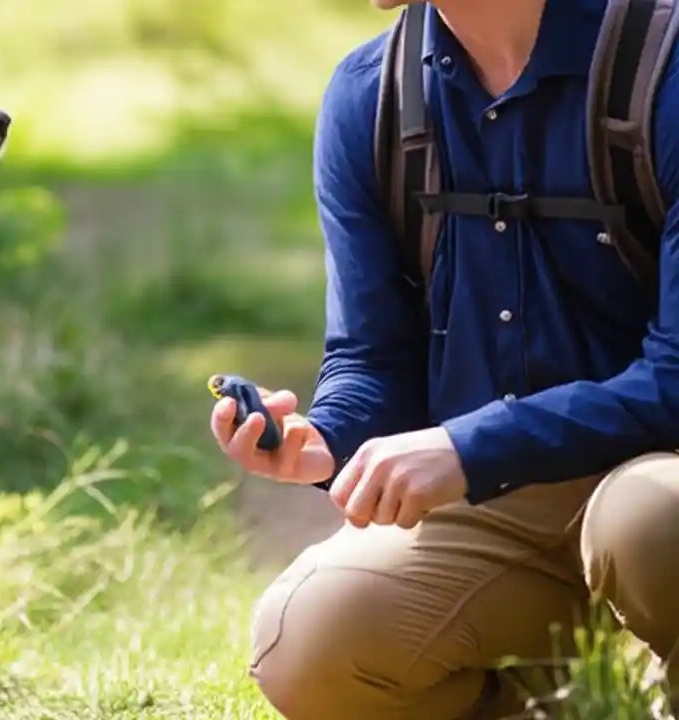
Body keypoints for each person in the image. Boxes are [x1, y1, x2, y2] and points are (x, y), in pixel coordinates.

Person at [208, 0, 679, 717]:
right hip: (504, 502)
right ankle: (583, 702)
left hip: (659, 475)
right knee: (307, 641)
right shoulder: (370, 94)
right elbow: (372, 357)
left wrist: (470, 447)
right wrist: (323, 439)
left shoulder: (666, 65)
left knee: (649, 519)